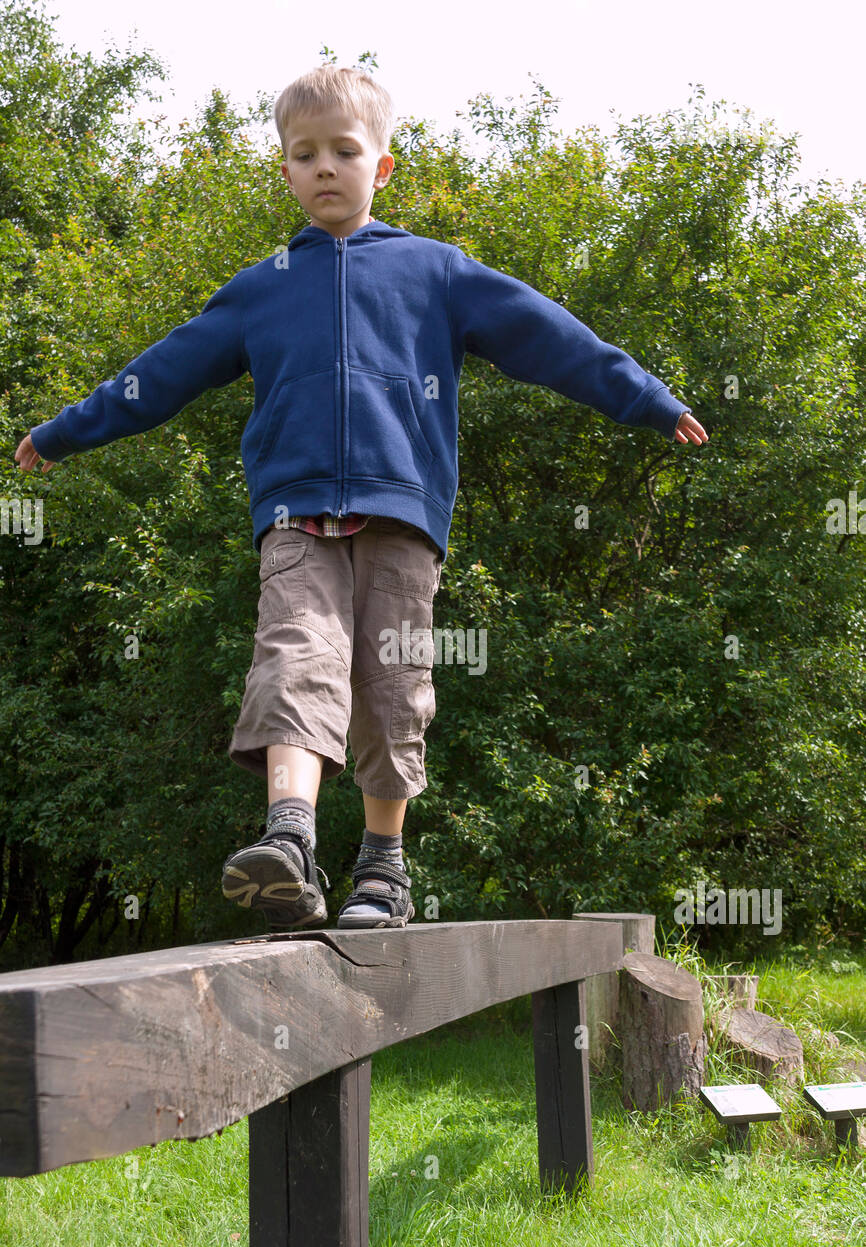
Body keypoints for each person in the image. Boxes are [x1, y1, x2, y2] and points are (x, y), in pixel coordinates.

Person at [16, 65, 708, 935]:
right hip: (295, 522)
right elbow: (159, 373)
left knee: (392, 690)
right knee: (294, 659)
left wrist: (645, 397)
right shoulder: (262, 287)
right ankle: (289, 839)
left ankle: (383, 866)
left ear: (380, 166)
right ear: (286, 172)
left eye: (344, 151)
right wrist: (64, 432)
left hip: (402, 522)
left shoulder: (435, 271)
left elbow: (549, 336)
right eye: (304, 154)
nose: (324, 167)